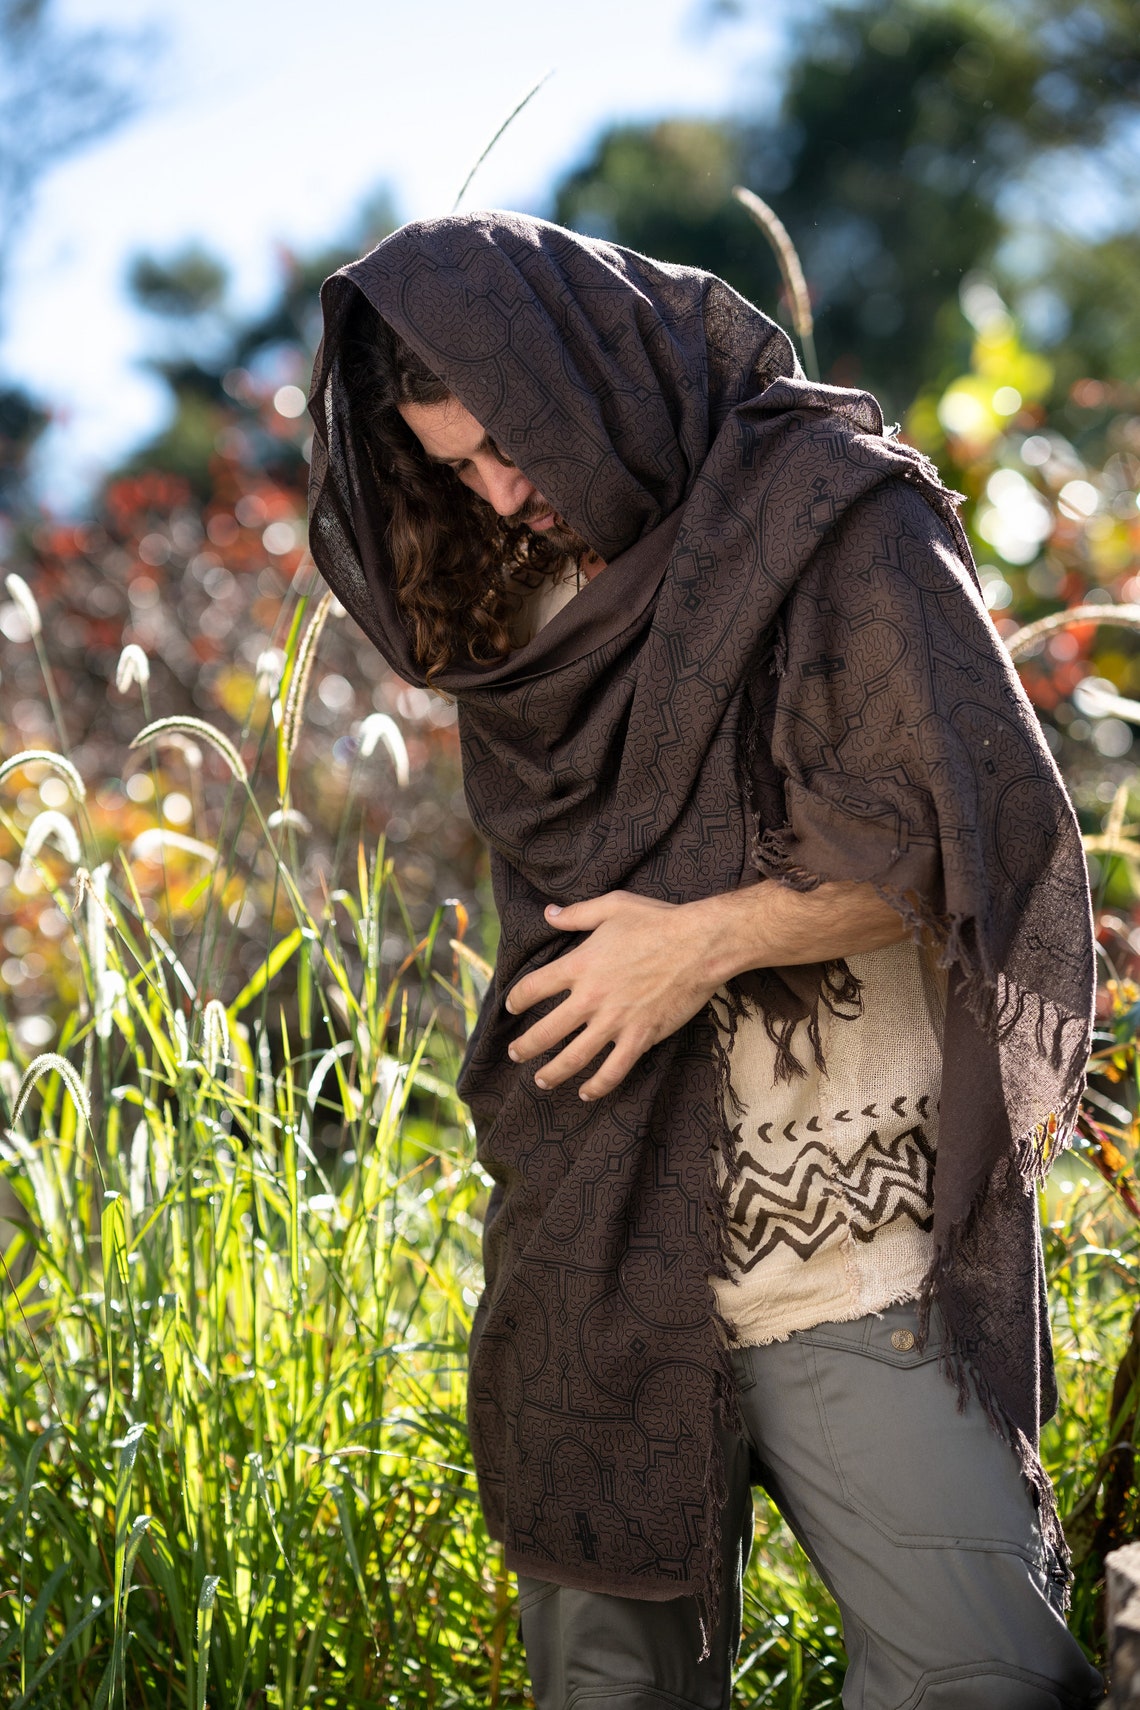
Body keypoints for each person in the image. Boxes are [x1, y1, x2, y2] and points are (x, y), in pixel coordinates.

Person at [306, 210, 1105, 1709]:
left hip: (848, 1238)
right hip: (593, 1245)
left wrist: (702, 943)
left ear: (585, 370)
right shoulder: (522, 607)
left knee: (991, 1682)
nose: (503, 487)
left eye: (510, 440)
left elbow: (967, 824)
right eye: (458, 464)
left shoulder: (837, 513)